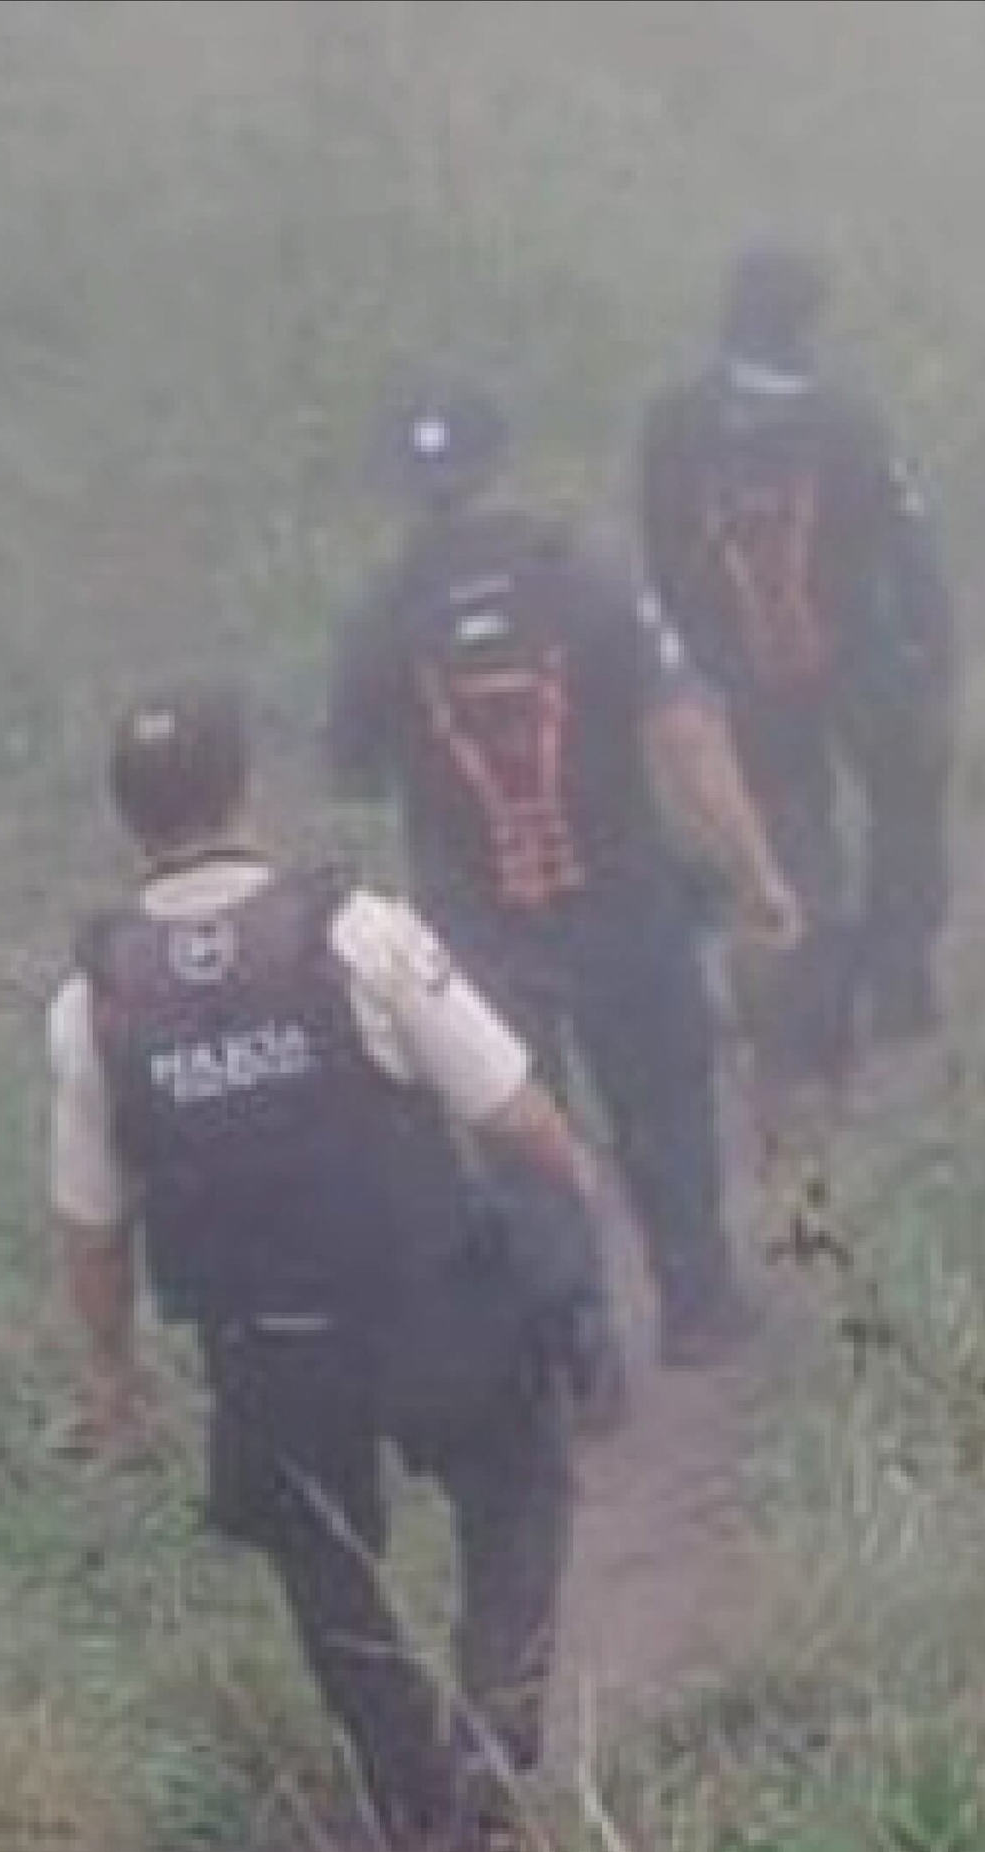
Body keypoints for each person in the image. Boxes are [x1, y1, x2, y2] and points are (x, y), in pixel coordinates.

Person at [50, 682, 608, 1852]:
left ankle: (411, 1799)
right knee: (517, 1484)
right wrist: (581, 1197)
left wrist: (110, 1374)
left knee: (321, 1561)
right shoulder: (358, 933)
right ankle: (492, 1750)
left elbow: (91, 1226)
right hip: (428, 1312)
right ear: (249, 786)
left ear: (126, 821)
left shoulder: (94, 1003)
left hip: (265, 1346)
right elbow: (508, 1112)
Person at [331, 382, 801, 1370]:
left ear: (408, 490)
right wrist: (755, 871)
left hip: (472, 914)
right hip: (620, 887)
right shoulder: (588, 578)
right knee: (662, 1097)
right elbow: (685, 730)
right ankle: (695, 1304)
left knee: (514, 1127)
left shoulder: (380, 612)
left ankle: (579, 1355)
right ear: (498, 464)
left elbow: (354, 770)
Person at [635, 243, 959, 1088]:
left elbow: (660, 556)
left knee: (791, 828)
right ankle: (898, 980)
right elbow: (905, 538)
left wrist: (692, 662)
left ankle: (813, 1020)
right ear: (809, 322)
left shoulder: (673, 422)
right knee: (905, 801)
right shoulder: (848, 419)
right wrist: (935, 651)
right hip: (858, 657)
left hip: (738, 672)